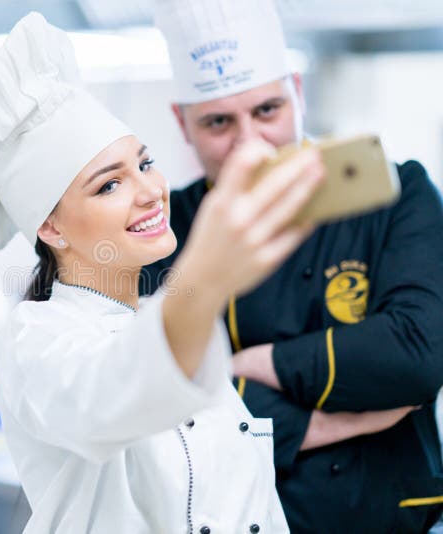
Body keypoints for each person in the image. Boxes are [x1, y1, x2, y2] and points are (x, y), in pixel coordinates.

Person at [0, 12, 328, 533]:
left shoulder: (163, 317)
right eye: (110, 185)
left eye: (145, 164)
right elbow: (109, 393)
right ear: (52, 228)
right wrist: (209, 272)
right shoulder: (36, 338)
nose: (152, 191)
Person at [141, 0, 443, 532]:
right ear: (181, 124)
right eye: (218, 122)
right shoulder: (165, 231)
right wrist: (328, 420)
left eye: (267, 111)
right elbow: (157, 406)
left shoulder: (399, 196)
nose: (250, 145)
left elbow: (417, 357)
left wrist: (252, 365)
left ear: (297, 94)